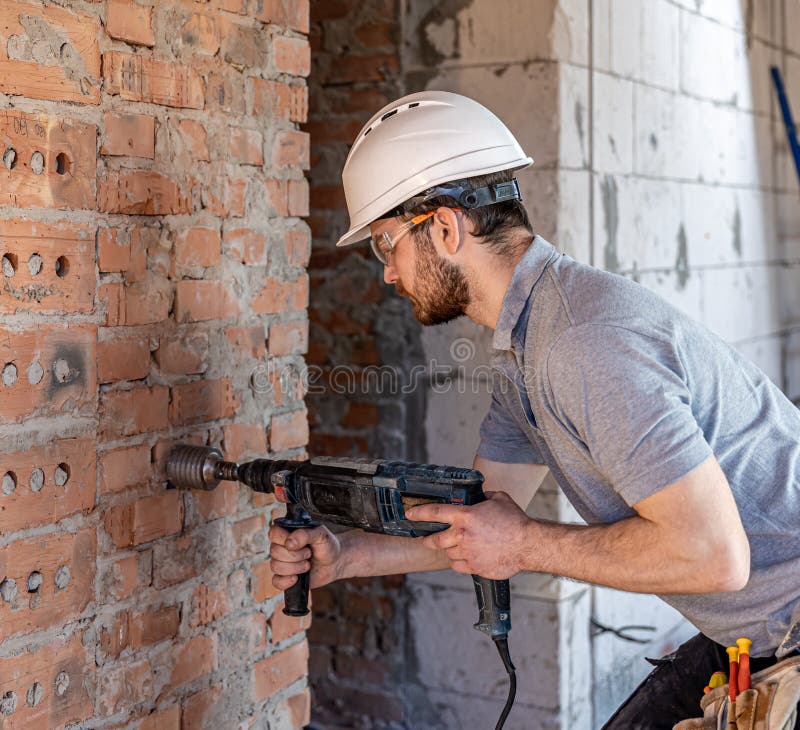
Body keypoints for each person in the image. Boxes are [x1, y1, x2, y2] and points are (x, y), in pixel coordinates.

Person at [268, 91, 800, 728]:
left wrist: (524, 544)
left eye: (387, 244)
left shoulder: (582, 343)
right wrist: (349, 557)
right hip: (754, 629)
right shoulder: (527, 347)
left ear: (444, 227)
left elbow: (714, 555)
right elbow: (480, 522)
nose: (387, 273)